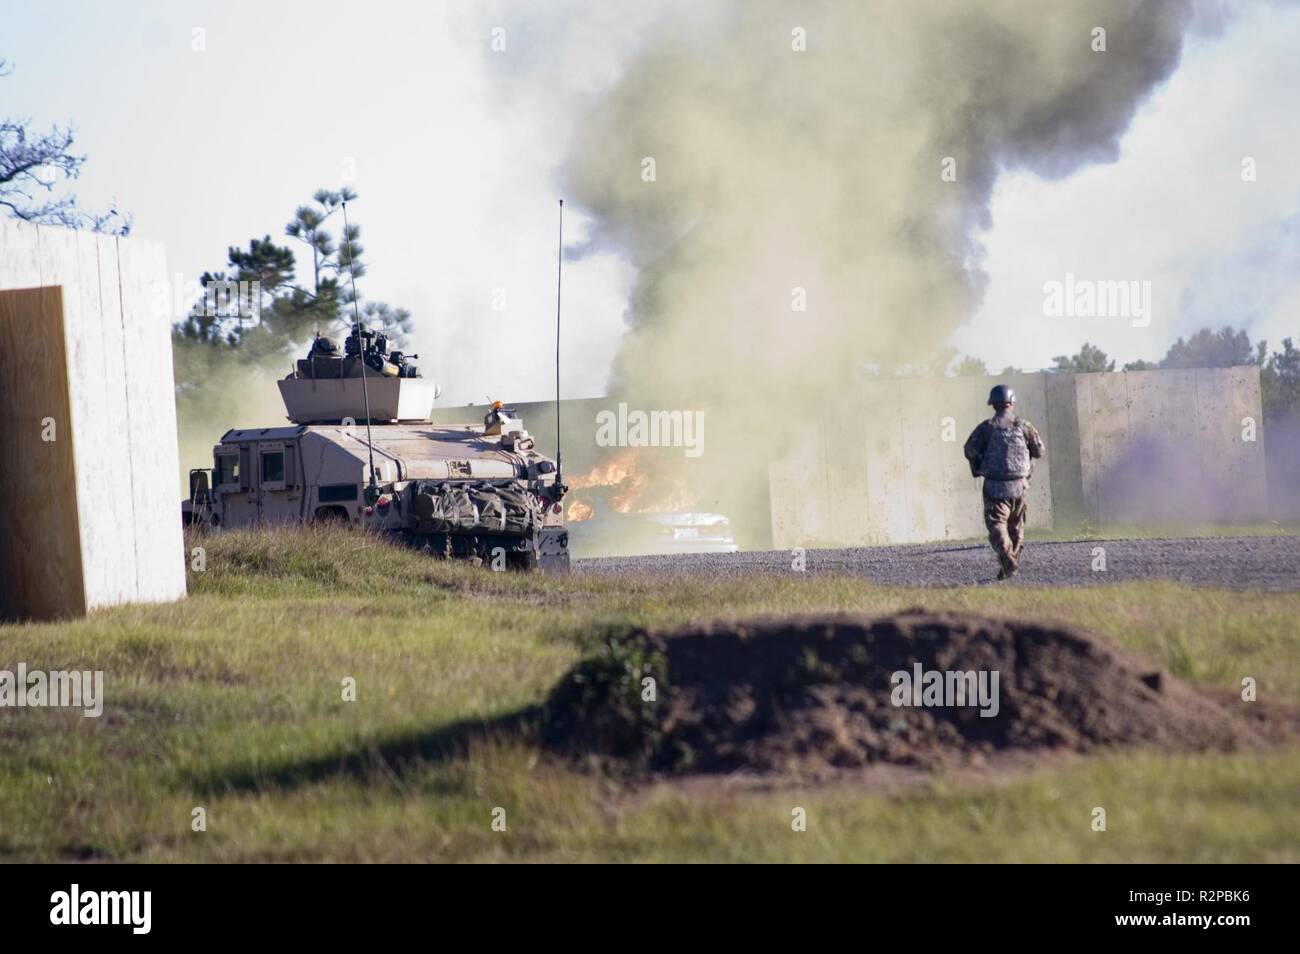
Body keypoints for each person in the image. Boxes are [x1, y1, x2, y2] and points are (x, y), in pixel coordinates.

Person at [963, 385, 1044, 580]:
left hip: (995, 486)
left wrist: (981, 460)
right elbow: (1039, 451)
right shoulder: (1023, 426)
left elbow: (969, 449)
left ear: (993, 404)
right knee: (1016, 528)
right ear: (1011, 403)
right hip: (1019, 486)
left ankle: (1007, 559)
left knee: (998, 524)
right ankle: (1009, 564)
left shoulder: (987, 427)